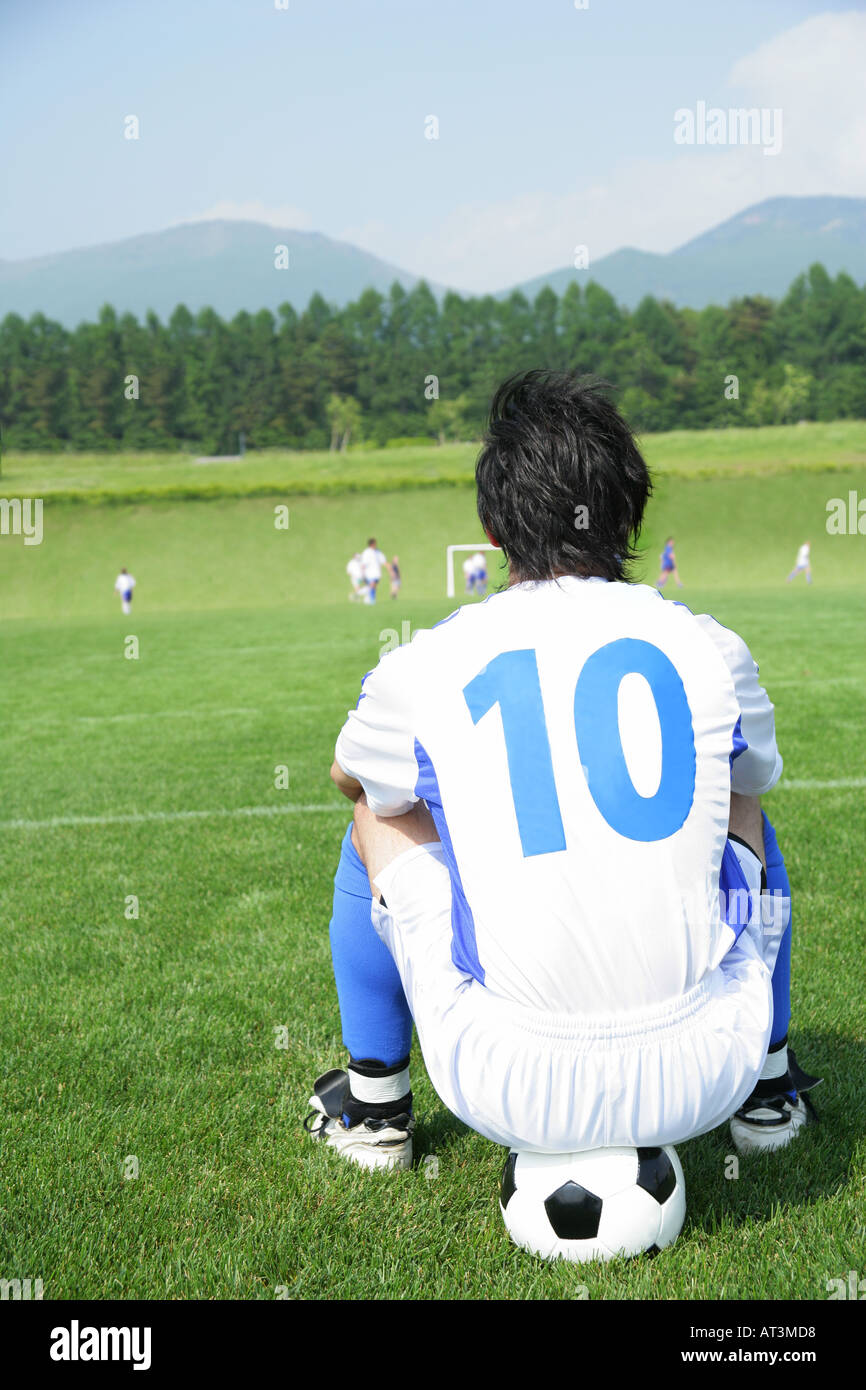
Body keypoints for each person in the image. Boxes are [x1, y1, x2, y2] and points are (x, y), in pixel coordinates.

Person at [307, 371, 818, 1199]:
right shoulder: (710, 646)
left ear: (490, 528)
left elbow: (346, 777)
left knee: (376, 805)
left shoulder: (428, 661)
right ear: (631, 513)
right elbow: (755, 778)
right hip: (705, 1066)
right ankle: (766, 1092)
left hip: (503, 1081)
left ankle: (374, 1111)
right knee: (741, 799)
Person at [360, 537, 387, 604]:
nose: (376, 545)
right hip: (369, 573)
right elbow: (363, 564)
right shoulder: (366, 552)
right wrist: (362, 574)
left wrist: (389, 567)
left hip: (377, 573)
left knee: (373, 586)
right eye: (375, 544)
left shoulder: (378, 551)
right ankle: (372, 600)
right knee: (372, 585)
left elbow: (383, 561)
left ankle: (367, 598)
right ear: (371, 544)